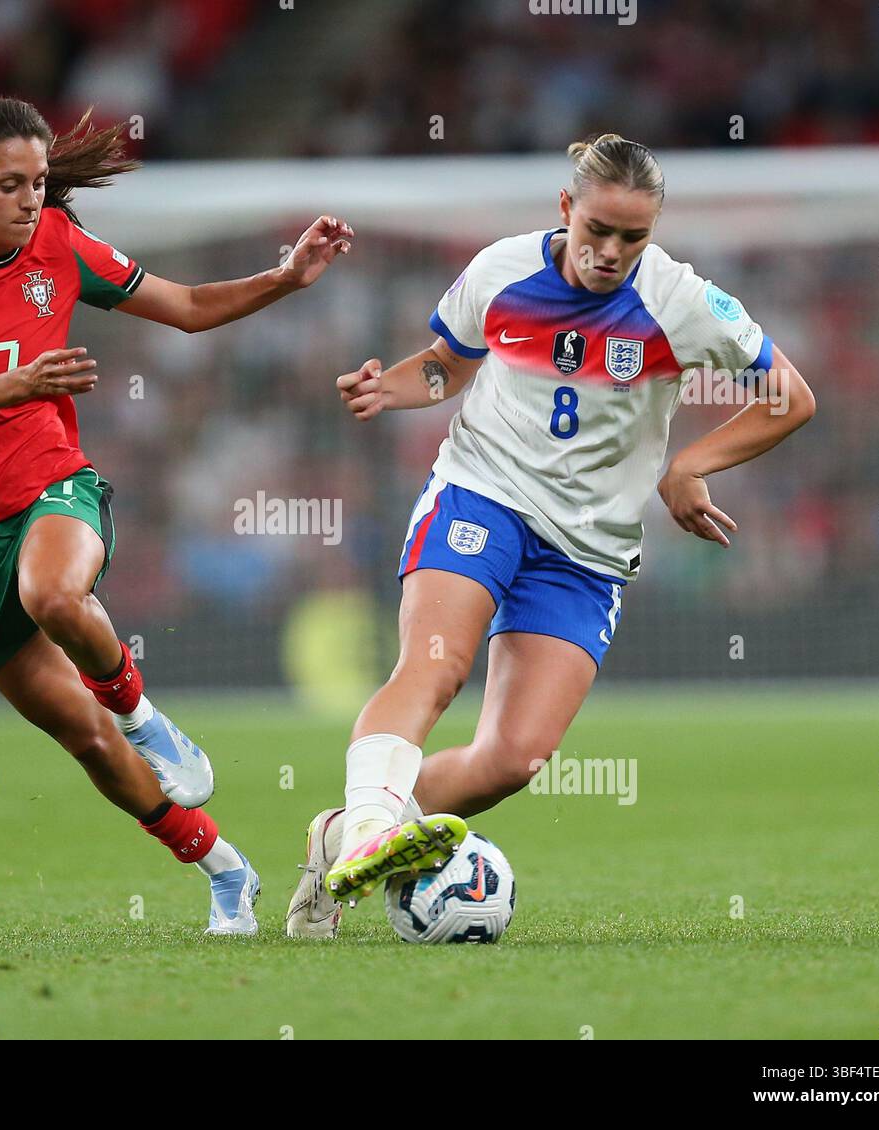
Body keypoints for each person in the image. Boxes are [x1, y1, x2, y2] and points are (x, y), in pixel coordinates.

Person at [287, 133, 815, 938]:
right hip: (482, 493)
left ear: (653, 233)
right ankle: (370, 825)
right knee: (434, 668)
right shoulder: (501, 270)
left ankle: (340, 836)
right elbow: (445, 364)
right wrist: (387, 389)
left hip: (588, 548)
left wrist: (689, 467)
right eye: (597, 229)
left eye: (632, 237)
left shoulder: (680, 301)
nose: (610, 251)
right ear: (566, 209)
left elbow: (791, 397)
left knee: (514, 759)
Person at [0, 97, 353, 935]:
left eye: (41, 182)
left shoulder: (58, 245)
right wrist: (26, 381)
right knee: (85, 742)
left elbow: (189, 305)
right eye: (13, 185)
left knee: (55, 596)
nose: (34, 201)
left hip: (47, 483)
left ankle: (146, 718)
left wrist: (284, 276)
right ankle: (224, 869)